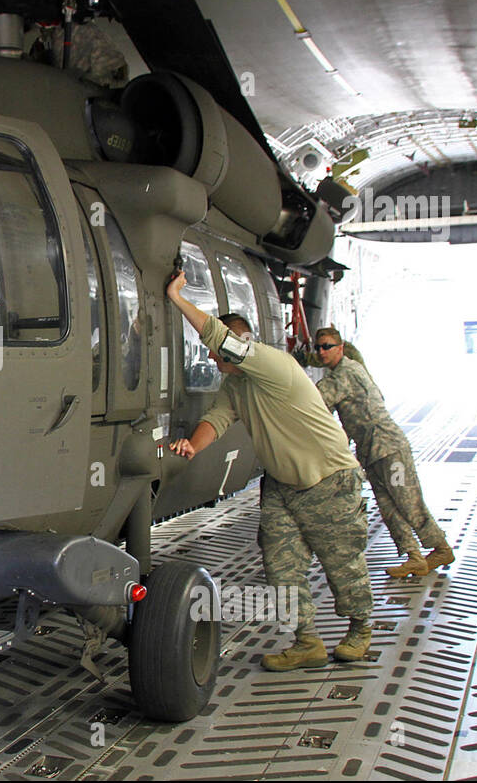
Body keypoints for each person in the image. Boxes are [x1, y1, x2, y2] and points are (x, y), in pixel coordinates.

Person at [166, 271, 373, 670]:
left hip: (328, 480)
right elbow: (218, 419)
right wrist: (194, 443)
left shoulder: (274, 365)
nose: (211, 357)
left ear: (239, 346)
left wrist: (177, 297)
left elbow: (217, 337)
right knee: (281, 564)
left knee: (342, 562)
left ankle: (359, 629)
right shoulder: (235, 385)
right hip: (282, 484)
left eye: (217, 352)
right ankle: (307, 641)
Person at [314, 327, 455, 578]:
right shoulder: (354, 370)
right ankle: (413, 556)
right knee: (388, 506)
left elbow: (314, 401)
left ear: (340, 348)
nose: (321, 352)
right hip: (372, 452)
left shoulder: (343, 376)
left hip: (389, 450)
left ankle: (441, 547)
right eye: (318, 348)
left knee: (407, 501)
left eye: (327, 346)